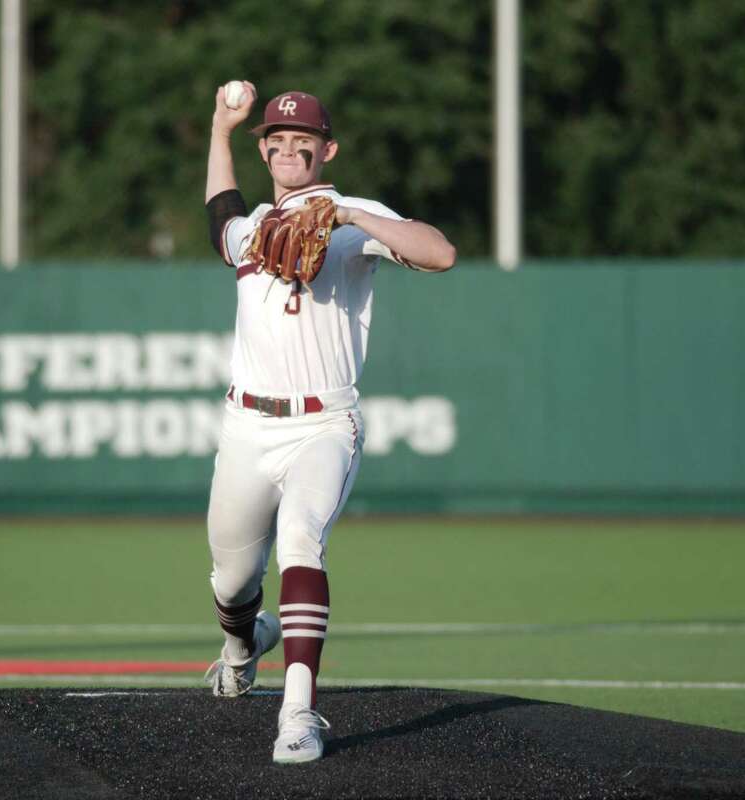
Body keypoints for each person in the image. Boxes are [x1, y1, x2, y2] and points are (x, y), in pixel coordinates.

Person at [201, 81, 456, 764]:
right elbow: (218, 215)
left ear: (326, 150)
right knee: (230, 583)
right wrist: (222, 129)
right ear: (266, 150)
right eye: (277, 141)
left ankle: (298, 714)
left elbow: (440, 253)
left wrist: (352, 218)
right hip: (246, 425)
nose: (288, 150)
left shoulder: (354, 215)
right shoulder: (253, 224)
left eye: (302, 143)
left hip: (323, 423)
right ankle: (242, 642)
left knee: (300, 542)